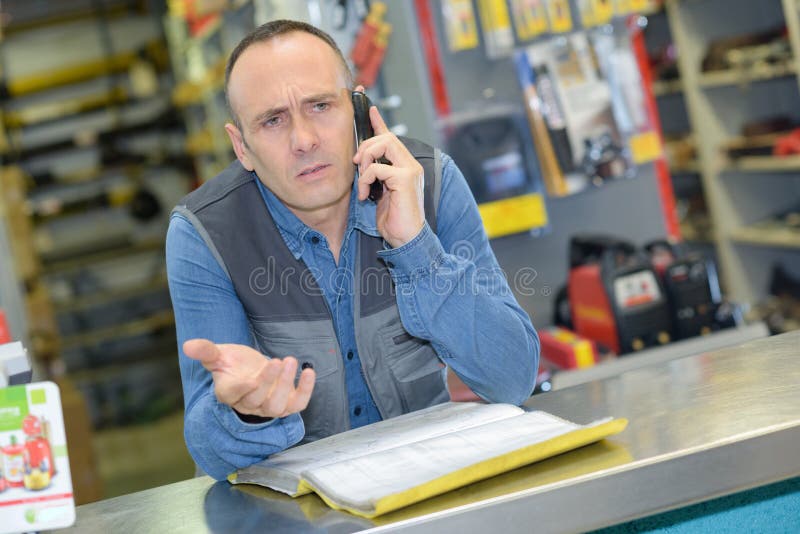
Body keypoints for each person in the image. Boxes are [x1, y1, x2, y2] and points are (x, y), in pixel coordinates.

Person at [166, 19, 540, 481]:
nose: (304, 140)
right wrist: (247, 413)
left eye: (320, 105)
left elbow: (513, 379)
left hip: (432, 492)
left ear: (360, 112)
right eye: (273, 120)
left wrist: (417, 248)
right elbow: (209, 453)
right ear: (241, 146)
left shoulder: (430, 184)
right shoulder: (204, 236)